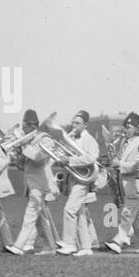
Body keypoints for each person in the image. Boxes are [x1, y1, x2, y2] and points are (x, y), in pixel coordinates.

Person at [7, 109, 61, 256]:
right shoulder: (28, 141)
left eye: (25, 127)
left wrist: (24, 145)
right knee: (40, 219)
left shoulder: (45, 139)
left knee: (30, 216)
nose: (23, 130)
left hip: (41, 184)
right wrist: (18, 152)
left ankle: (19, 245)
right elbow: (21, 166)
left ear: (32, 125)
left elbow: (39, 158)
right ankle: (50, 247)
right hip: (32, 184)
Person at [105, 113, 139, 253]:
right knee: (137, 218)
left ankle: (118, 241)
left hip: (136, 185)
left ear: (136, 128)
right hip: (127, 185)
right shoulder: (124, 143)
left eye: (128, 127)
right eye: (124, 127)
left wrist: (119, 164)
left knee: (127, 214)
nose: (124, 130)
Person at [54, 110, 100, 257]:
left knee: (69, 210)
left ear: (85, 125)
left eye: (78, 123)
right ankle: (86, 247)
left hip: (83, 180)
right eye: (73, 122)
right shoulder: (72, 138)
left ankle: (70, 244)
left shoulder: (90, 140)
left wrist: (70, 160)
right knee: (79, 213)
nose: (74, 125)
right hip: (74, 178)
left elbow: (90, 158)